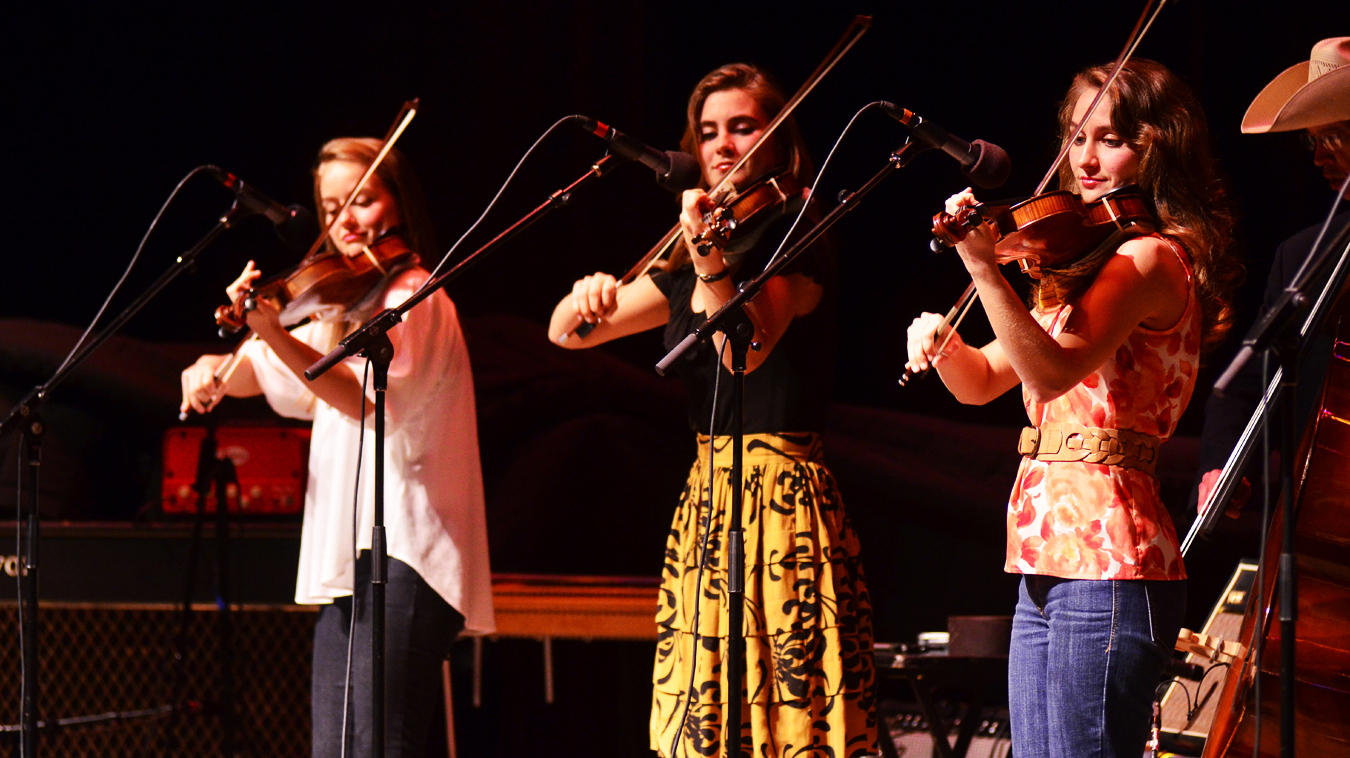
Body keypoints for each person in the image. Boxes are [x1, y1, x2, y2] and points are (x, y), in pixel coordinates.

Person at [905, 59, 1239, 758]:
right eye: (1077, 137)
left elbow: (1052, 371)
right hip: (1045, 557)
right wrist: (943, 345)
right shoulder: (1079, 271)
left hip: (1112, 559)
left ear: (1156, 148)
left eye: (1110, 139)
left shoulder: (1150, 258)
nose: (1084, 159)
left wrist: (983, 267)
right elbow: (984, 381)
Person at [548, 63, 877, 758]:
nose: (722, 145)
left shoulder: (796, 231)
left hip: (781, 499)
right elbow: (568, 334)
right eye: (708, 132)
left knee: (785, 711)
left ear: (779, 140)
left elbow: (745, 351)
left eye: (742, 127)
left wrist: (707, 258)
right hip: (710, 495)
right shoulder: (695, 258)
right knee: (707, 708)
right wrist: (587, 292)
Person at [180, 138, 494, 758]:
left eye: (362, 199)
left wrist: (271, 330)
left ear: (398, 204)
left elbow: (360, 396)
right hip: (353, 559)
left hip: (407, 554)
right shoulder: (343, 308)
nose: (344, 219)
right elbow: (266, 370)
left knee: (378, 746)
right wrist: (214, 367)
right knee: (336, 749)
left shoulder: (414, 297)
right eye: (331, 208)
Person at [1194, 37, 1350, 516]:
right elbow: (1251, 380)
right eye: (1311, 140)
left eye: (1331, 137)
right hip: (1317, 507)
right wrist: (1223, 464)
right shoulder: (1303, 253)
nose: (1318, 157)